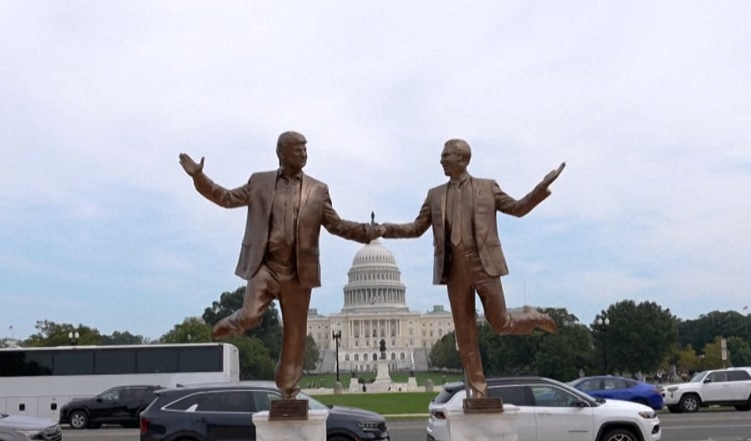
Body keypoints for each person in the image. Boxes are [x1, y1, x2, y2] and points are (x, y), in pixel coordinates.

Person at [179, 131, 379, 399]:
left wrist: (365, 232)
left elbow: (335, 224)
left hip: (298, 272)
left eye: (306, 149)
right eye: (298, 149)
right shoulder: (260, 182)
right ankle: (233, 322)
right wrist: (199, 177)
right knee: (250, 315)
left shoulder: (318, 190)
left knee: (295, 338)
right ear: (281, 153)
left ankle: (288, 389)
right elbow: (226, 198)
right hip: (266, 266)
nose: (304, 154)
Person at [380, 138, 565, 399]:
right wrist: (385, 229)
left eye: (446, 156)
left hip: (484, 265)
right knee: (465, 336)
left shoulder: (487, 188)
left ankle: (531, 317)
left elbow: (517, 208)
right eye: (442, 156)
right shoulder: (435, 195)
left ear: (463, 159)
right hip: (454, 270)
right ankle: (479, 391)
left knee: (500, 323)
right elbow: (416, 228)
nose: (441, 160)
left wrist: (540, 188)